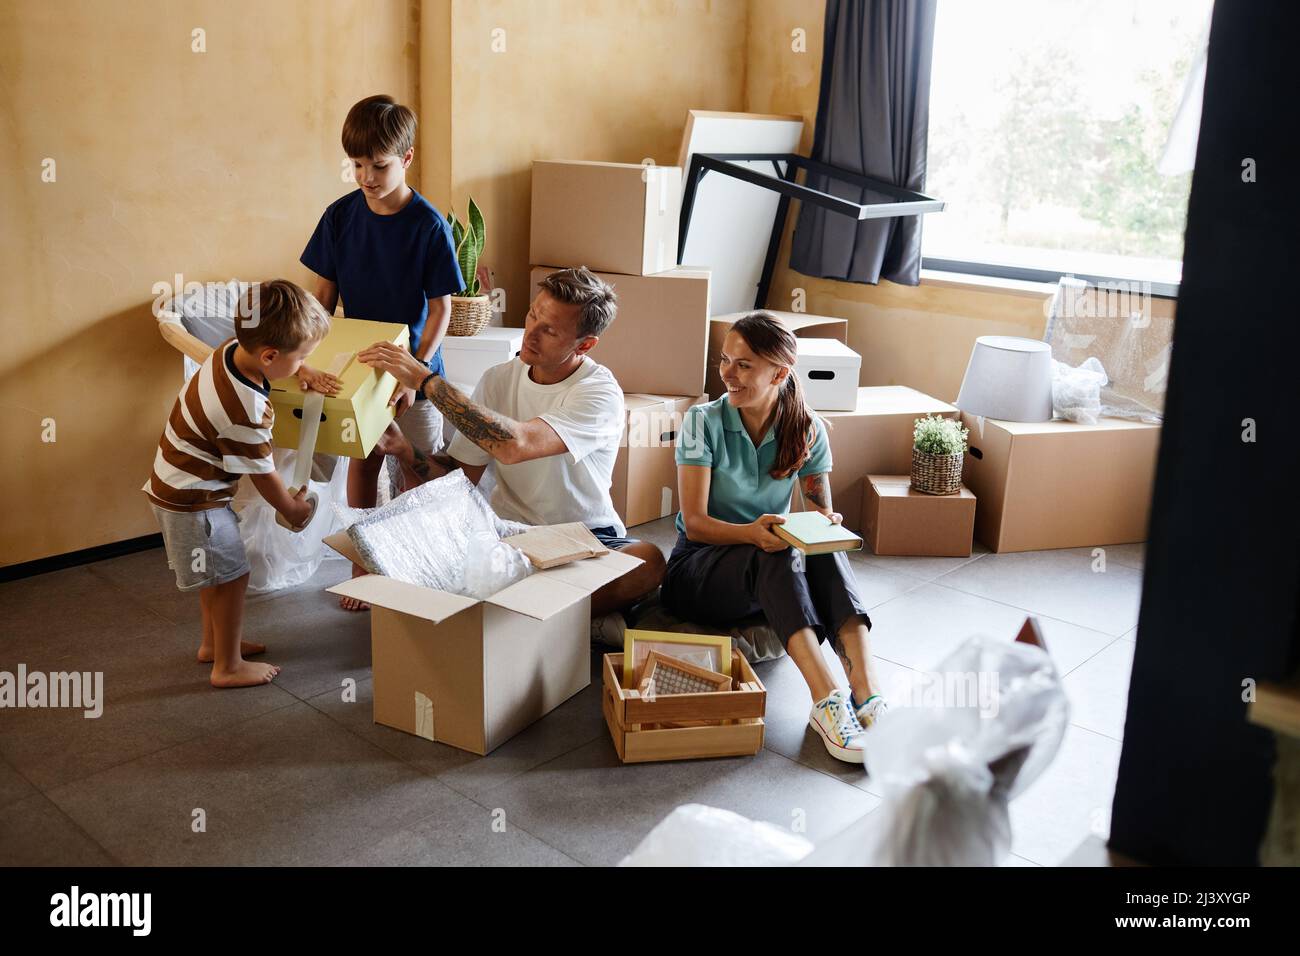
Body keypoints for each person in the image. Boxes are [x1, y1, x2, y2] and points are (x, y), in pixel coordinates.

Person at [357, 267, 665, 624]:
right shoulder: (498, 379)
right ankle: (562, 620)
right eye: (533, 314)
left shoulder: (599, 392)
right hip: (507, 537)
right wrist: (405, 450)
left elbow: (514, 444)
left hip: (584, 538)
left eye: (549, 330)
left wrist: (426, 382)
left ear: (584, 344)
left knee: (649, 562)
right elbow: (459, 478)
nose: (530, 334)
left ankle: (525, 619)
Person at [659, 312, 888, 764]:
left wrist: (826, 522)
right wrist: (751, 533)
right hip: (699, 567)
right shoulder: (702, 422)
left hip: (765, 565)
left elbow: (820, 507)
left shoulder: (807, 428)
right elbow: (697, 521)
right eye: (725, 360)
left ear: (779, 373)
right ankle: (826, 701)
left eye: (743, 365)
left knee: (818, 547)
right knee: (778, 550)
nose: (727, 373)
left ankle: (867, 692)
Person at [296, 93, 464, 610]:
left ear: (407, 159)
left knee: (416, 466)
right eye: (358, 165)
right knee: (363, 462)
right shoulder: (339, 217)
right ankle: (364, 566)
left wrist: (413, 375)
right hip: (360, 370)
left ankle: (416, 564)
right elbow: (320, 301)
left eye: (380, 165)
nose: (367, 176)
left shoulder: (428, 226)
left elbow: (441, 310)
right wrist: (306, 362)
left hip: (416, 372)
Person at [143, 280, 331, 687]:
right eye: (303, 358)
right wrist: (294, 510)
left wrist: (301, 366)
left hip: (176, 486)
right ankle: (226, 667)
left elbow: (271, 361)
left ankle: (214, 644)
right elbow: (264, 475)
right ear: (270, 355)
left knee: (217, 573)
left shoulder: (230, 350)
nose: (304, 366)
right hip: (197, 502)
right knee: (231, 577)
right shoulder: (245, 409)